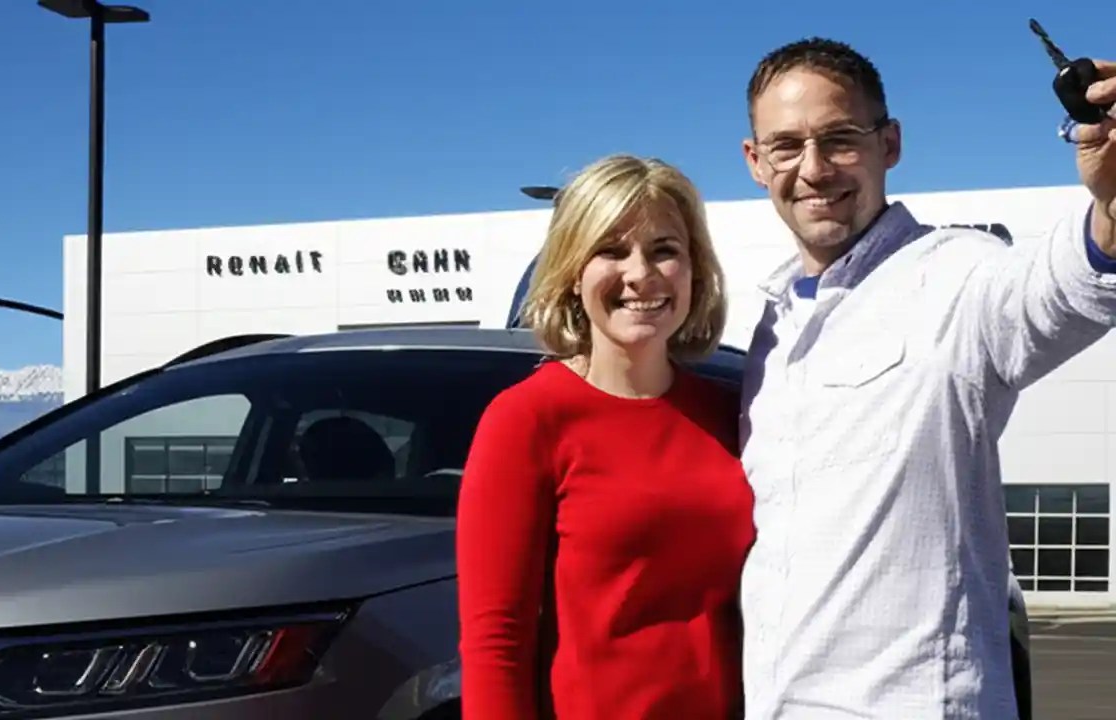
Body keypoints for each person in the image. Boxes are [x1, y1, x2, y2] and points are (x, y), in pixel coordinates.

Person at [735, 37, 1116, 718]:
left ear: (891, 144)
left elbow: (1058, 289)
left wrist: (1112, 209)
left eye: (841, 138)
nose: (814, 169)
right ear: (755, 162)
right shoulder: (773, 331)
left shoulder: (956, 276)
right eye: (787, 146)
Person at [456, 153, 756, 719]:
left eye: (665, 250)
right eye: (611, 250)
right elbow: (495, 639)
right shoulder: (527, 419)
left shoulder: (730, 414)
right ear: (573, 271)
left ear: (695, 269)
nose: (641, 274)